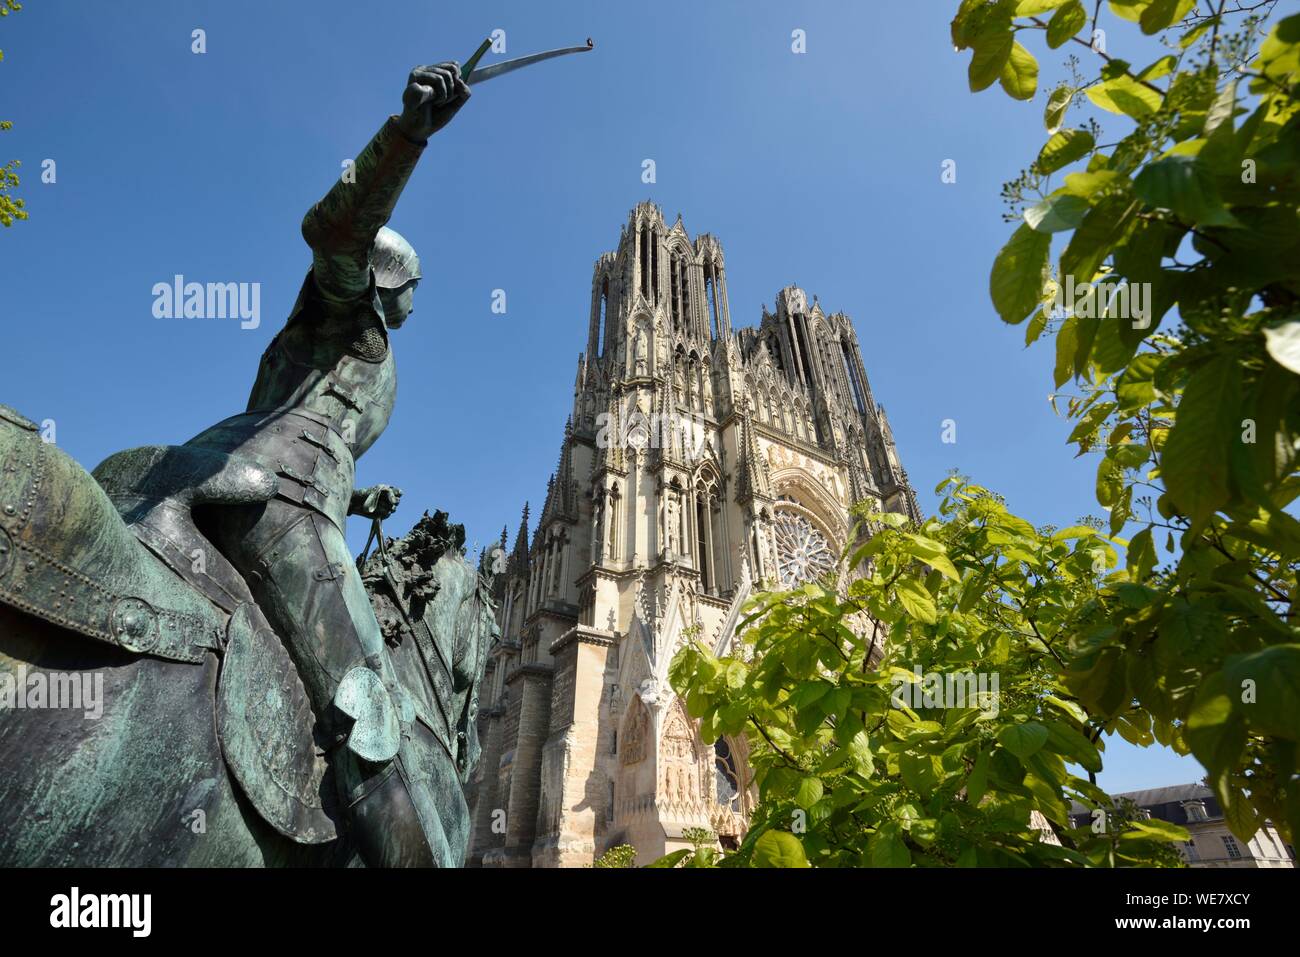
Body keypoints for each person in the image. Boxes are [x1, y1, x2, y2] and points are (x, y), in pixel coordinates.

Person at [185, 61, 470, 866]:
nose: (417, 298)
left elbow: (304, 435)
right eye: (412, 283)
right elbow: (334, 229)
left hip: (281, 483)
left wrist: (356, 494)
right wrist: (407, 134)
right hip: (283, 495)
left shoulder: (347, 340)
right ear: (388, 280)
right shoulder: (344, 302)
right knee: (370, 708)